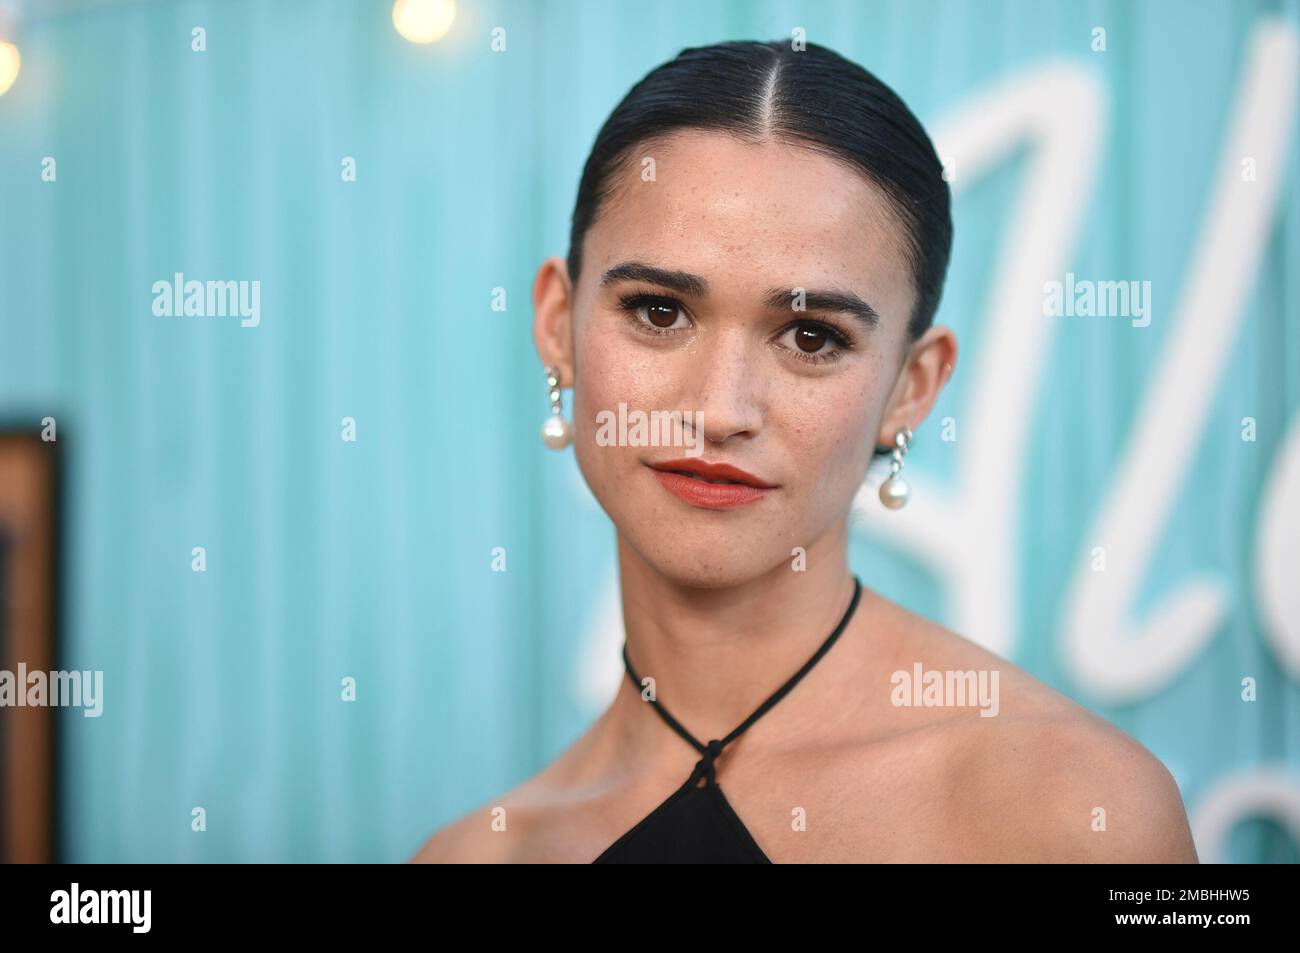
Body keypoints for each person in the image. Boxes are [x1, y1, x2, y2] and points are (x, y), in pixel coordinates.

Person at [411, 39, 1198, 863]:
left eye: (811, 335)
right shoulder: (474, 854)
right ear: (556, 327)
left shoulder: (1075, 808)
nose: (718, 411)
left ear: (912, 387)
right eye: (657, 312)